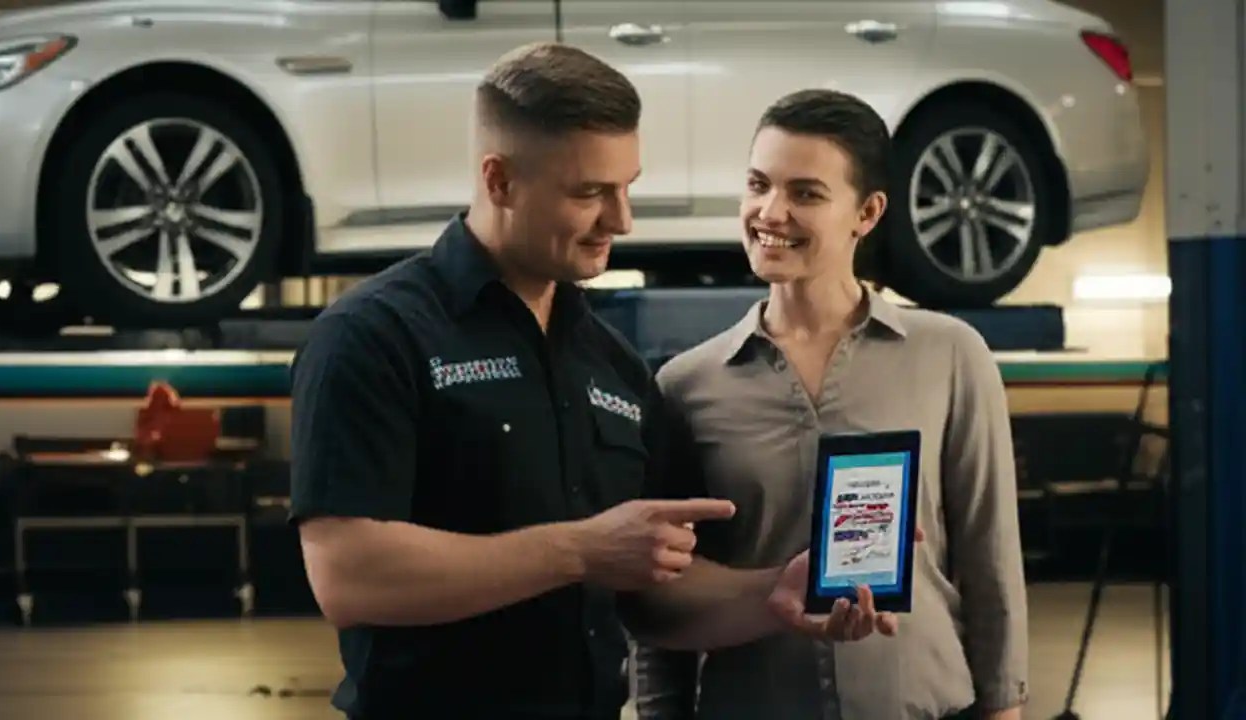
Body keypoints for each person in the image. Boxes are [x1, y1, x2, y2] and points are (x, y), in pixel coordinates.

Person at [287, 44, 894, 720]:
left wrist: (770, 596)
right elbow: (349, 575)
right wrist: (580, 549)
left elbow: (655, 591)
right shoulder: (374, 336)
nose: (621, 220)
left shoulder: (612, 362)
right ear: (499, 181)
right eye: (589, 193)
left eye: (626, 186)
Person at [626, 89, 1030, 720]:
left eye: (805, 194)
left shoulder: (950, 356)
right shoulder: (686, 384)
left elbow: (991, 564)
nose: (770, 211)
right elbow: (661, 590)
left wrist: (1005, 710)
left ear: (866, 214)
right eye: (759, 184)